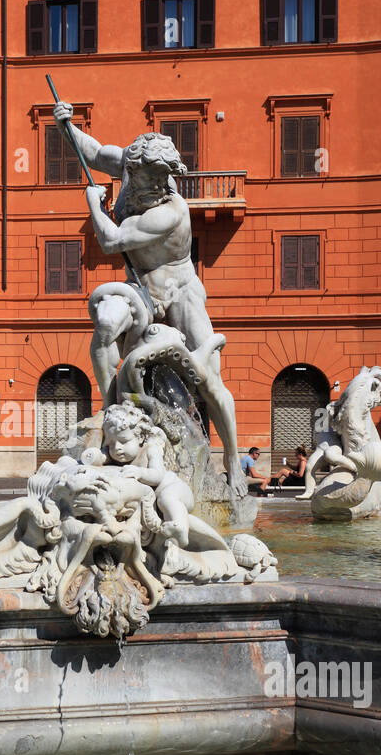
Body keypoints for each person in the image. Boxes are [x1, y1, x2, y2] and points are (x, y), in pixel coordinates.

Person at [55, 98, 246, 493]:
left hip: (180, 292)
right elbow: (92, 153)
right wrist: (66, 127)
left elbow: (110, 241)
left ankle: (231, 460)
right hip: (139, 289)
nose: (149, 187)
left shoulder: (169, 210)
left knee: (210, 379)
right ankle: (113, 412)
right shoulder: (131, 164)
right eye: (141, 179)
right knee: (106, 324)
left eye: (156, 182)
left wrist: (94, 204)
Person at [83, 403, 195, 545]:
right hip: (156, 503)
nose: (117, 448)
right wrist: (94, 456)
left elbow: (158, 475)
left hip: (176, 490)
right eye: (111, 443)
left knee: (166, 498)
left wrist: (140, 472)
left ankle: (181, 530)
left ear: (140, 437)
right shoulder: (118, 455)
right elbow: (100, 458)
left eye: (123, 441)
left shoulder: (150, 450)